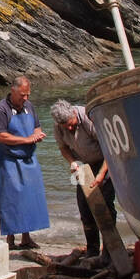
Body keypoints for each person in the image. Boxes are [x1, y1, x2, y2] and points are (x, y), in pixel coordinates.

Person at [50, 99, 116, 263]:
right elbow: (63, 148)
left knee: (105, 208)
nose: (69, 128)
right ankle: (92, 251)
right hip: (84, 166)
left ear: (73, 113)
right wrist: (72, 161)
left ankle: (110, 252)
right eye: (66, 127)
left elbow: (109, 147)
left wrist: (101, 175)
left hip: (104, 162)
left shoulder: (88, 118)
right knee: (85, 208)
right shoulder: (60, 126)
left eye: (71, 124)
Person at [0, 76, 49, 250]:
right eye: (22, 95)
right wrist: (26, 139)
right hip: (8, 160)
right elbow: (0, 135)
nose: (25, 98)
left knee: (30, 198)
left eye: (28, 95)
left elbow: (36, 127)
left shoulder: (29, 107)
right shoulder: (0, 109)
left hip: (29, 159)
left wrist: (37, 135)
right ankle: (10, 239)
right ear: (13, 90)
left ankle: (26, 237)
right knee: (11, 199)